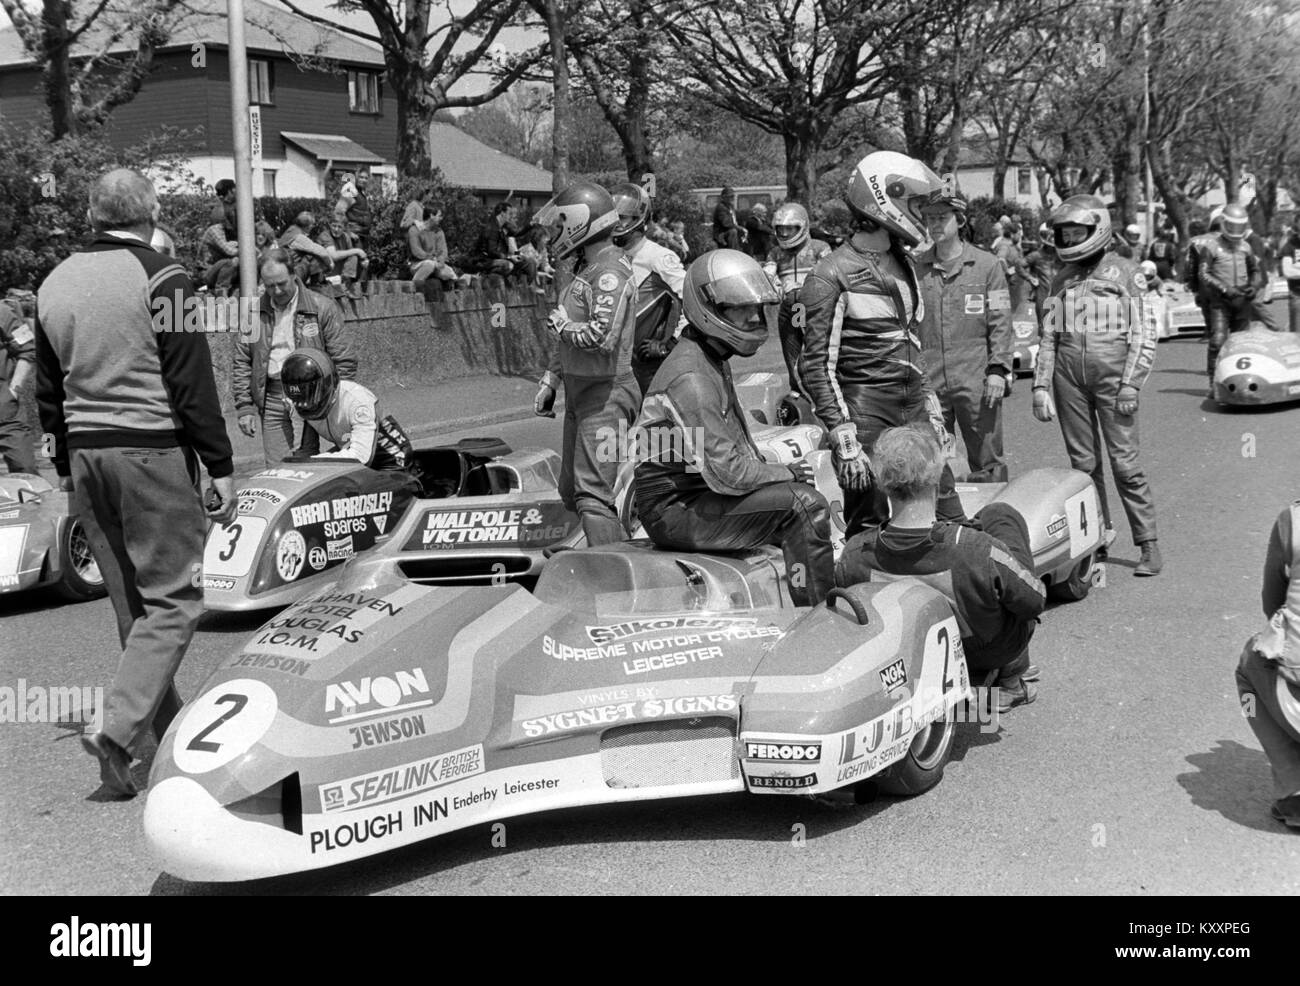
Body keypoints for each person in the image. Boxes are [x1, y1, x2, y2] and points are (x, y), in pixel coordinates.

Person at [34, 168, 236, 797]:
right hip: (150, 451)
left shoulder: (52, 282)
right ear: (151, 211)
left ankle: (164, 734)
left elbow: (47, 391)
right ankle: (120, 731)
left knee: (134, 607)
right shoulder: (165, 276)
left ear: (93, 215)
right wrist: (221, 465)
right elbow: (190, 380)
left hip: (86, 458)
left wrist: (65, 469)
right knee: (176, 600)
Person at [634, 249, 834, 606]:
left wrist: (781, 473)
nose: (754, 319)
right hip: (677, 509)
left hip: (697, 497)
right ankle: (819, 616)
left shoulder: (711, 356)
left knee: (791, 488)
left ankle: (790, 595)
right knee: (805, 505)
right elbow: (728, 473)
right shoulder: (692, 377)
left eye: (756, 309)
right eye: (741, 309)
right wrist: (786, 471)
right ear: (708, 308)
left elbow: (739, 448)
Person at [800, 150, 967, 539]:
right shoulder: (829, 274)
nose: (921, 214)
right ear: (884, 197)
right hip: (864, 411)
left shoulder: (905, 262)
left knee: (945, 509)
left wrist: (932, 409)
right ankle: (862, 598)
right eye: (913, 203)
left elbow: (914, 347)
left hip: (913, 403)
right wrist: (844, 436)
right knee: (869, 524)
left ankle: (953, 591)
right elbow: (816, 367)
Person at [836, 425, 1045, 711]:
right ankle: (1010, 680)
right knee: (1001, 516)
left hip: (903, 658)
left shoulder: (855, 553)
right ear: (936, 479)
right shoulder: (977, 548)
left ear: (883, 483)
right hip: (985, 651)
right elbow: (1035, 601)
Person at [1032, 194, 1162, 576]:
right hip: (1068, 379)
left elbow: (1144, 332)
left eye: (1077, 233)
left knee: (1125, 464)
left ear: (1098, 229)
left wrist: (1131, 384)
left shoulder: (1125, 273)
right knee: (1083, 466)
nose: (1070, 241)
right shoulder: (1061, 278)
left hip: (1114, 379)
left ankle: (1148, 543)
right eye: (1064, 234)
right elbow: (1049, 335)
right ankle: (1097, 536)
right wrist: (1040, 386)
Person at [532, 179, 639, 545]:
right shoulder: (588, 267)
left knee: (592, 493)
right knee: (571, 489)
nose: (555, 235)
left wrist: (563, 327)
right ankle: (606, 551)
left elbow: (601, 338)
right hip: (581, 392)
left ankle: (614, 578)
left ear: (580, 223)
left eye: (560, 226)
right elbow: (570, 331)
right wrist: (551, 379)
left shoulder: (610, 272)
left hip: (607, 394)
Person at [914, 179, 1014, 483]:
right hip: (929, 379)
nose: (934, 225)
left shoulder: (987, 266)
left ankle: (992, 521)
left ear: (959, 221)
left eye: (941, 218)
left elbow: (1001, 321)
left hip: (976, 378)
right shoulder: (915, 267)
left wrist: (998, 368)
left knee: (988, 460)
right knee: (930, 460)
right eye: (929, 218)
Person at [233, 249, 357, 466]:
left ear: (294, 275)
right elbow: (243, 361)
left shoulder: (322, 307)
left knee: (304, 465)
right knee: (276, 468)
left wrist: (338, 401)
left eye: (281, 283)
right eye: (269, 286)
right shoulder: (253, 314)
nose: (277, 290)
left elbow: (343, 359)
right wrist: (245, 407)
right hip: (271, 396)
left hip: (311, 394)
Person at [1235, 498, 1300, 829]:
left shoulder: (1293, 521)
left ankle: (1294, 792)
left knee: (1248, 666)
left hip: (1295, 698)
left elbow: (1271, 601)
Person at [280, 348, 415, 471]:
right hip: (350, 451)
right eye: (299, 397)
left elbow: (361, 457)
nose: (306, 404)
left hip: (391, 461)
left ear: (328, 384)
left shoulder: (358, 400)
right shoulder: (297, 404)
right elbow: (304, 453)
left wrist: (314, 463)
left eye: (311, 394)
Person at [611, 182, 687, 395]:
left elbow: (692, 298)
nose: (616, 224)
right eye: (613, 217)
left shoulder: (659, 256)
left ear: (639, 219)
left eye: (622, 217)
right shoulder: (610, 257)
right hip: (616, 365)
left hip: (647, 366)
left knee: (654, 424)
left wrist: (671, 343)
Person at [1198, 203, 1273, 395]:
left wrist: (1254, 287)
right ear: (1223, 223)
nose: (1235, 231)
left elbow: (1256, 270)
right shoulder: (1211, 247)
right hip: (1220, 301)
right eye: (1232, 226)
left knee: (1241, 343)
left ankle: (1241, 382)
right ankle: (1213, 383)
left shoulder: (1246, 247)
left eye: (1239, 226)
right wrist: (1224, 288)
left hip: (1242, 299)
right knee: (1218, 340)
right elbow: (1203, 274)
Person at [762, 202, 830, 398]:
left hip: (815, 307)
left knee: (817, 349)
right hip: (790, 308)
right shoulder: (775, 252)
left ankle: (823, 385)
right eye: (781, 229)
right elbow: (768, 271)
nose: (784, 234)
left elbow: (830, 276)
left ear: (802, 226)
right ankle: (797, 389)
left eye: (789, 228)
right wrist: (771, 280)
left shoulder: (820, 247)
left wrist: (804, 286)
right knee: (791, 349)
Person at [0, 290, 37, 474]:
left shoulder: (4, 312)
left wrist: (13, 390)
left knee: (25, 469)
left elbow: (29, 350)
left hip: (6, 412)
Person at [475, 202, 539, 284]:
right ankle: (485, 278)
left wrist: (531, 224)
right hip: (486, 260)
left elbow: (517, 233)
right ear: (502, 214)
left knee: (530, 262)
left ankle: (522, 289)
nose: (511, 216)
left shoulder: (504, 226)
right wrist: (509, 258)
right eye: (509, 213)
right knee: (509, 265)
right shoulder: (492, 228)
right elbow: (491, 251)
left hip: (502, 258)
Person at [408, 207, 470, 288]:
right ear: (431, 216)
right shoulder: (414, 230)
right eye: (439, 216)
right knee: (429, 265)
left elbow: (443, 251)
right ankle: (414, 285)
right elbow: (416, 251)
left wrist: (441, 261)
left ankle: (454, 282)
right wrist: (431, 258)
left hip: (435, 262)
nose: (441, 218)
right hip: (418, 264)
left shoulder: (439, 232)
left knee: (448, 272)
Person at [277, 211, 335, 285]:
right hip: (289, 272)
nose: (313, 227)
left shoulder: (291, 231)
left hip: (285, 269)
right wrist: (330, 264)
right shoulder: (297, 236)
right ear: (308, 226)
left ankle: (316, 282)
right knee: (313, 255)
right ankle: (316, 285)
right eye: (312, 224)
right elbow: (319, 251)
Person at [315, 216, 370, 289]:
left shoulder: (346, 237)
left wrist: (364, 261)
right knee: (354, 253)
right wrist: (357, 250)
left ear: (344, 227)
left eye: (339, 227)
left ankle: (347, 283)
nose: (336, 229)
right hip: (325, 273)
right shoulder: (325, 235)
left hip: (340, 273)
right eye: (334, 226)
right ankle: (334, 283)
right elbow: (333, 256)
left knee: (354, 258)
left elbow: (351, 255)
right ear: (329, 225)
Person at [1025, 221, 1060, 326]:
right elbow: (1020, 265)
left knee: (1060, 327)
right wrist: (1030, 278)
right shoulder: (1036, 255)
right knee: (1044, 325)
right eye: (1050, 236)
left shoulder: (1062, 254)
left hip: (1060, 294)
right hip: (1043, 295)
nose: (1052, 238)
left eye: (1054, 236)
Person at [199, 203, 239, 292]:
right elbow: (229, 251)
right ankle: (220, 290)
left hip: (220, 271)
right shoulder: (214, 230)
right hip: (206, 271)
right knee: (230, 262)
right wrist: (244, 247)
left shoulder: (231, 232)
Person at [1280, 217, 1300, 333]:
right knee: (1297, 338)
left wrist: (1296, 267)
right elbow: (1287, 271)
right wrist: (1292, 269)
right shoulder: (1290, 245)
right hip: (1297, 295)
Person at [712, 187, 745, 251]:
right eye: (730, 196)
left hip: (730, 231)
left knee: (747, 231)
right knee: (733, 232)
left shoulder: (730, 206)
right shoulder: (721, 207)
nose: (732, 198)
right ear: (724, 197)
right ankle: (733, 253)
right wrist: (740, 228)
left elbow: (736, 219)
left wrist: (744, 226)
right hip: (722, 234)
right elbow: (726, 224)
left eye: (733, 196)